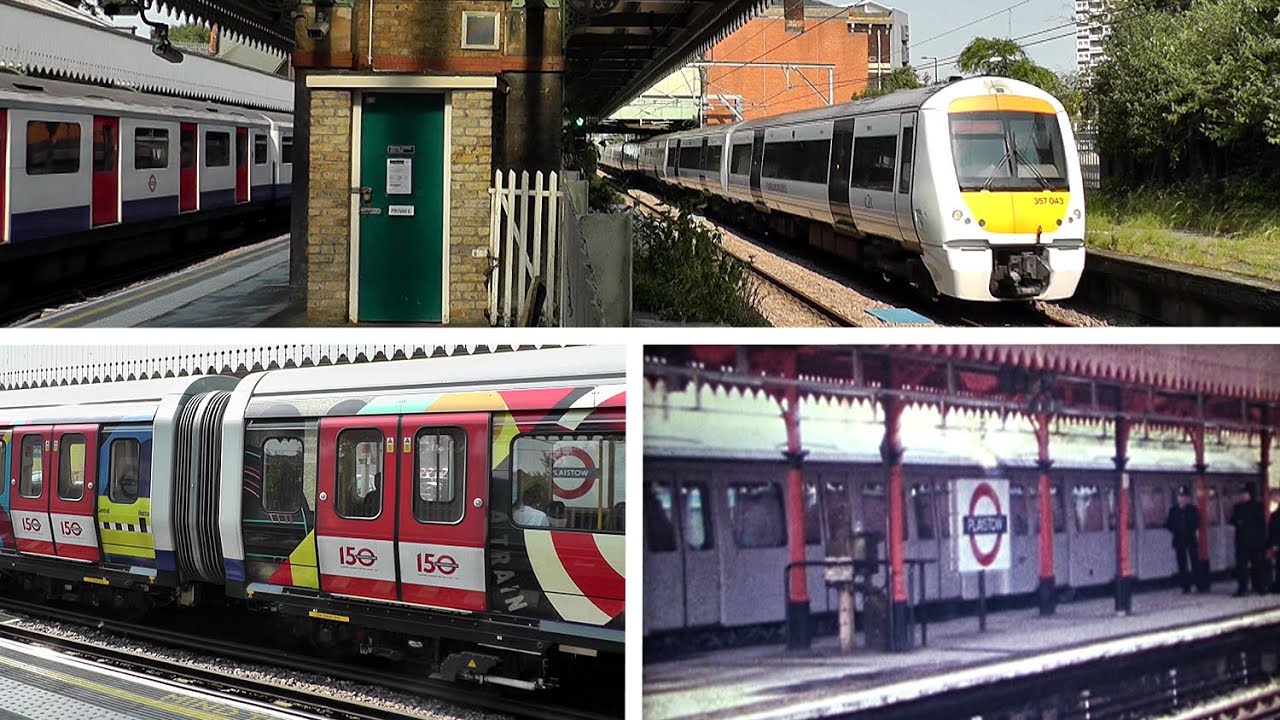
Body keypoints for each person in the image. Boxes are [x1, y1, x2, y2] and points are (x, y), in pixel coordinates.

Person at [1229, 481, 1267, 596]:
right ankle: (1242, 588)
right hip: (1241, 541)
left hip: (1255, 541)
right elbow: (1232, 520)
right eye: (1241, 494)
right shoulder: (1237, 507)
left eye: (1245, 493)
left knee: (1258, 565)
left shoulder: (1258, 506)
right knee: (1242, 566)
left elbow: (1261, 523)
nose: (1242, 496)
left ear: (1250, 494)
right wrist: (1238, 522)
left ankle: (1260, 586)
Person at [1164, 485, 1199, 593]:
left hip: (1190, 539)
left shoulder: (1193, 510)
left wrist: (1190, 529)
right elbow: (1168, 524)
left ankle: (1198, 583)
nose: (1182, 499)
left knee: (1194, 562)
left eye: (1184, 496)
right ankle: (1185, 586)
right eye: (1180, 496)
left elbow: (1197, 523)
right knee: (1182, 564)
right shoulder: (1173, 510)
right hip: (1179, 539)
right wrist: (1175, 530)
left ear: (1188, 498)